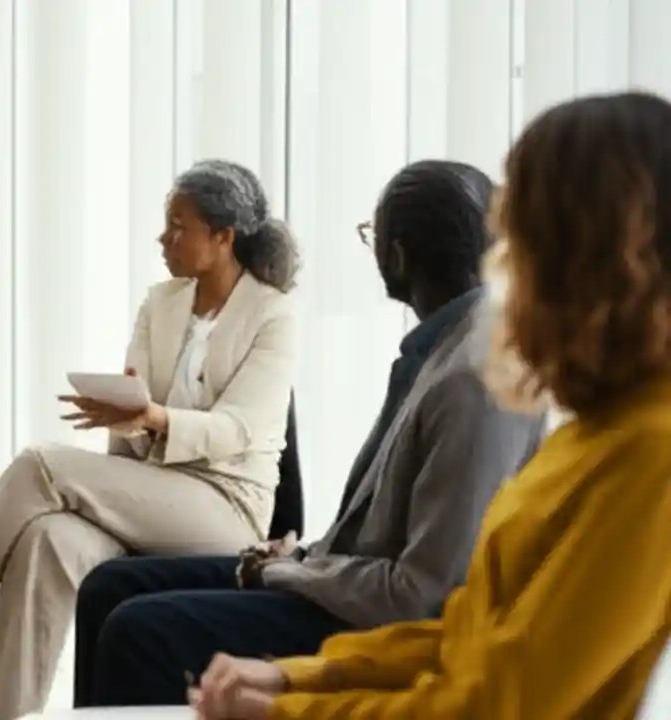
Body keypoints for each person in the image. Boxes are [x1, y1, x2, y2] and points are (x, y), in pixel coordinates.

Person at [187, 91, 671, 719]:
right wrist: (299, 678)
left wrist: (294, 710)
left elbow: (503, 700)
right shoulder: (592, 436)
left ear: (584, 260)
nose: (503, 268)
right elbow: (466, 638)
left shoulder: (648, 455)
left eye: (520, 242)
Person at [0, 159, 302, 720]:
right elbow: (138, 408)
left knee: (40, 465)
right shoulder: (162, 302)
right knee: (45, 540)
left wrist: (151, 417)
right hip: (150, 491)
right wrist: (128, 418)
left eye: (179, 226)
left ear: (223, 238)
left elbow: (238, 430)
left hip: (226, 506)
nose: (163, 237)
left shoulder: (273, 315)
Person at [73, 160, 546, 708]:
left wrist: (290, 573)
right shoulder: (438, 350)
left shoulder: (474, 380)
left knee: (140, 629)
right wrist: (302, 561)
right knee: (110, 587)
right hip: (336, 577)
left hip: (370, 622)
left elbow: (422, 597)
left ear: (398, 253)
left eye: (374, 236)